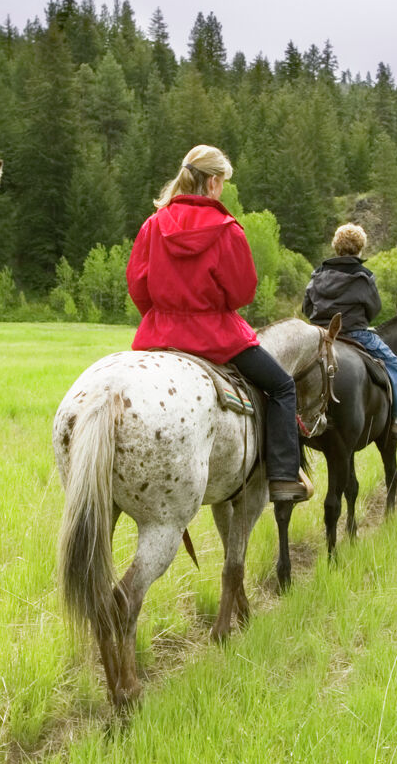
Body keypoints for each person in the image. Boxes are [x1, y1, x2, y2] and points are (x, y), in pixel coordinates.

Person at [126, 146, 311, 503]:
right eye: (223, 181)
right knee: (282, 386)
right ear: (212, 182)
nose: (222, 188)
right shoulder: (228, 230)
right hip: (217, 337)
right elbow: (242, 292)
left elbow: (137, 284)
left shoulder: (153, 225)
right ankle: (283, 476)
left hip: (159, 334)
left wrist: (162, 315)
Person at [303, 224, 397, 441]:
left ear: (336, 247)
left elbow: (306, 308)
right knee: (394, 364)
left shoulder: (318, 274)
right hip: (355, 334)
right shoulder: (363, 276)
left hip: (319, 336)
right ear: (360, 248)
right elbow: (374, 309)